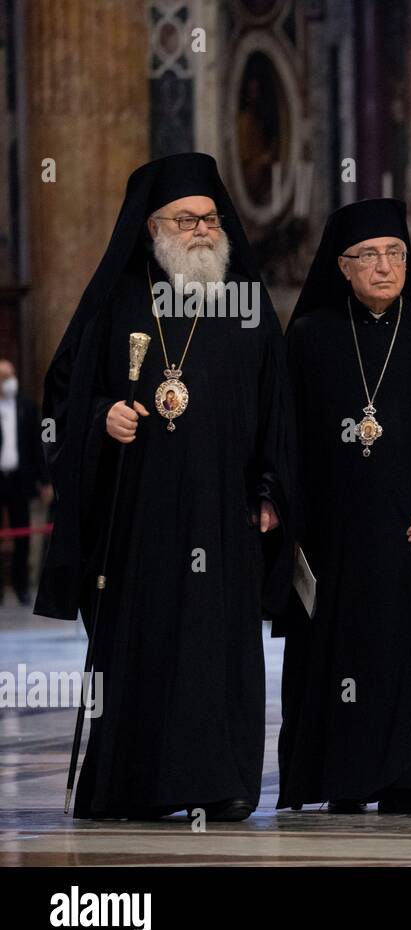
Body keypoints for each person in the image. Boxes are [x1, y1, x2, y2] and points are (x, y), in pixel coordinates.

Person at [37, 152, 296, 821]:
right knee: (143, 651)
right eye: (187, 220)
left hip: (223, 513)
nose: (204, 231)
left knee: (220, 653)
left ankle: (227, 783)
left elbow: (280, 405)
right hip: (139, 516)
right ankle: (136, 784)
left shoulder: (246, 305)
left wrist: (271, 488)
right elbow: (65, 395)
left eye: (211, 218)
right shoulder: (117, 300)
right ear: (153, 227)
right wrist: (103, 419)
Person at [276, 198, 411, 815]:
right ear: (341, 266)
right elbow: (283, 443)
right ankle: (339, 778)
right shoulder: (309, 341)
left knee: (409, 665)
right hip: (333, 546)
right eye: (368, 256)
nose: (384, 266)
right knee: (336, 665)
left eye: (396, 253)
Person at [0, 358, 50, 604]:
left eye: (10, 376)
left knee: (23, 536)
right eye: (4, 377)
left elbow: (36, 445)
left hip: (20, 480)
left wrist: (45, 480)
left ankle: (22, 587)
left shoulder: (27, 407)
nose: (9, 382)